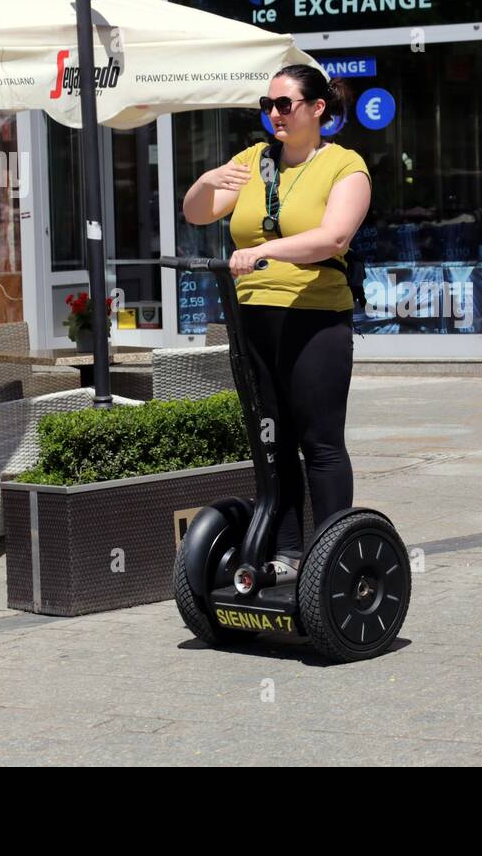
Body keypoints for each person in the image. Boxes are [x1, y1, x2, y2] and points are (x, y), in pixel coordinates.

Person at [182, 65, 369, 580]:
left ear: (317, 109)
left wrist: (264, 252)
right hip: (253, 321)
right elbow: (197, 213)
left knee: (320, 443)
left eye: (284, 104)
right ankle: (286, 555)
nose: (274, 114)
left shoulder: (345, 167)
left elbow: (333, 239)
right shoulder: (252, 160)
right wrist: (205, 182)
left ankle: (334, 558)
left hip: (315, 319)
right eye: (267, 105)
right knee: (272, 439)